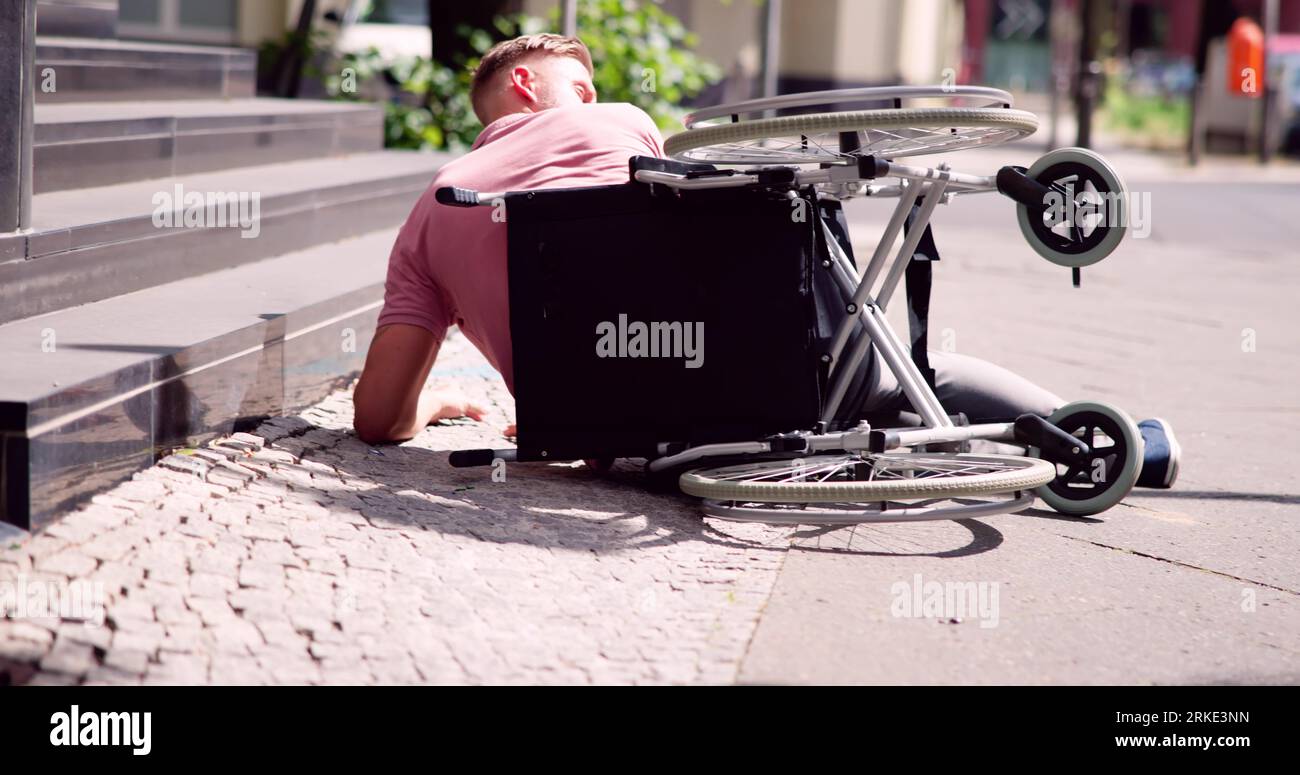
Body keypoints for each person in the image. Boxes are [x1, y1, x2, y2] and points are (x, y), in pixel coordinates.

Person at [353, 33, 1179, 488]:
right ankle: (1115, 443)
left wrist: (441, 405)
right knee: (905, 378)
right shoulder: (622, 122)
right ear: (530, 87)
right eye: (579, 85)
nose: (592, 100)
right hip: (762, 379)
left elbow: (377, 417)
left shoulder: (434, 211)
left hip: (621, 437)